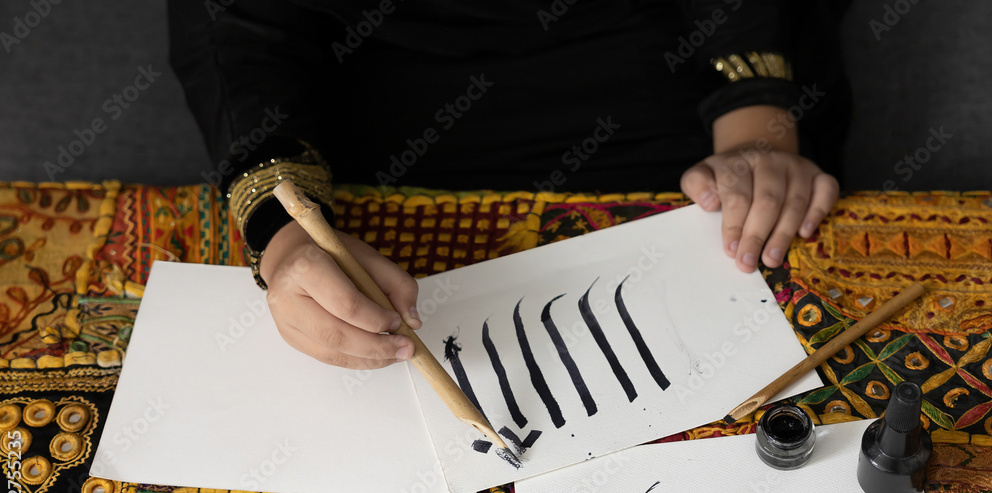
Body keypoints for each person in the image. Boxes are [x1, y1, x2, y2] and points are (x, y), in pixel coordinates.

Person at [169, 0, 850, 369]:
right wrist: (282, 230)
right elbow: (236, 26)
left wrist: (756, 125)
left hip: (651, 74)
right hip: (375, 87)